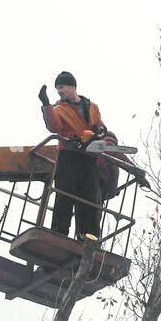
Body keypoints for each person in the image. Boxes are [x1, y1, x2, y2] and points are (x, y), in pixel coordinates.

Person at [37, 71, 117, 239]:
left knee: (89, 199)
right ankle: (59, 235)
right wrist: (46, 105)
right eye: (57, 88)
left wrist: (98, 133)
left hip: (88, 160)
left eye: (61, 87)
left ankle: (89, 238)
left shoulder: (92, 107)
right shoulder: (59, 109)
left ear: (72, 86)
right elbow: (54, 127)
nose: (59, 91)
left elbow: (99, 125)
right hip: (69, 158)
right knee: (64, 198)